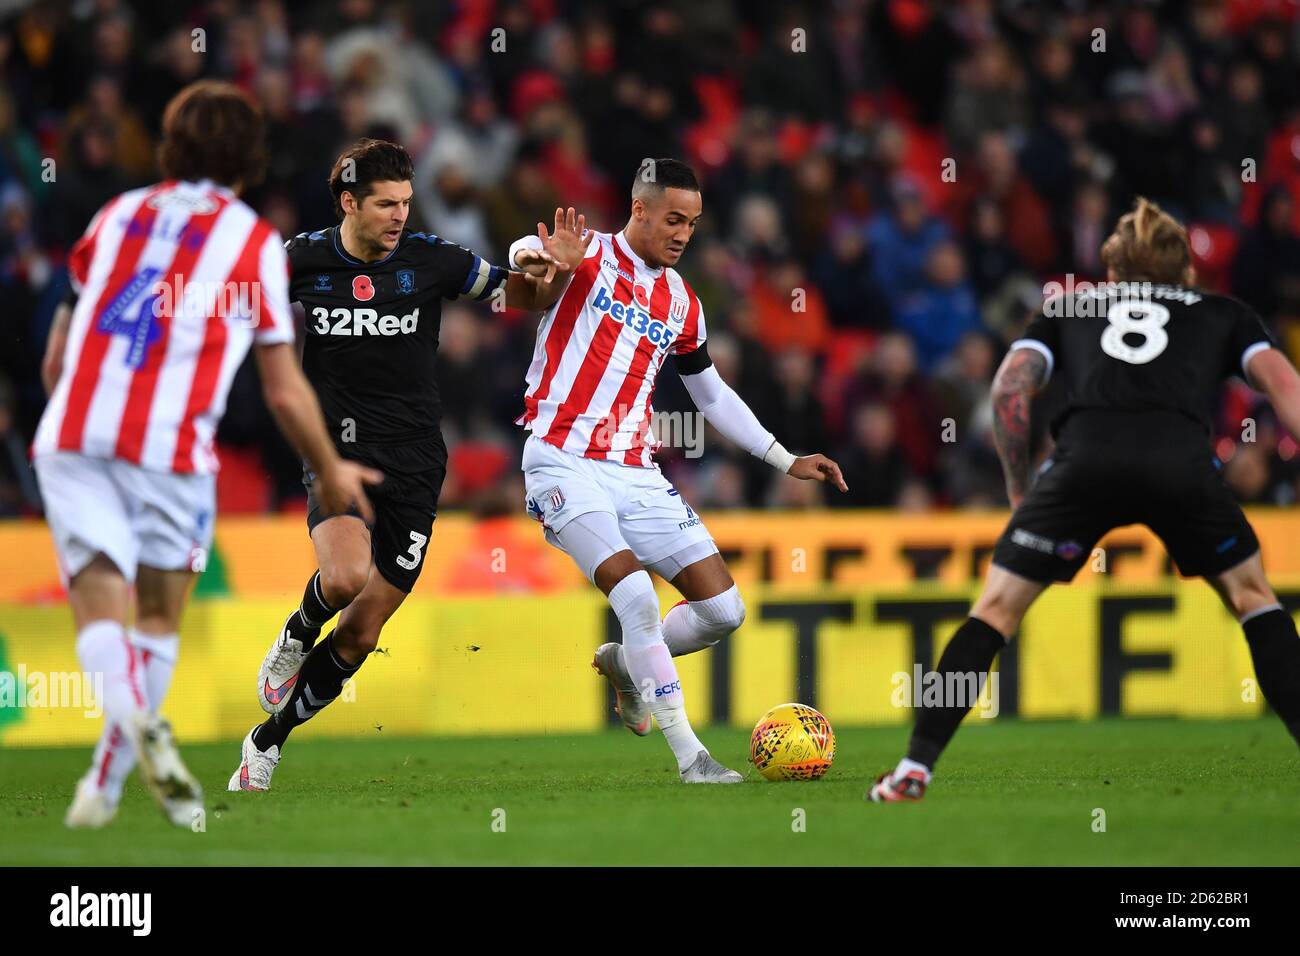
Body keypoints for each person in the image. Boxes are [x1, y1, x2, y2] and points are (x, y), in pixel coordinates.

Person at [869, 197, 1300, 802]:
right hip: (1180, 463)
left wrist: (1019, 486)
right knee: (1254, 599)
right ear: (1184, 269)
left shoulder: (1070, 306)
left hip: (1083, 464)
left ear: (1113, 268)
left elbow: (1009, 387)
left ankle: (914, 768)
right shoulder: (1222, 311)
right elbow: (1283, 382)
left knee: (995, 610)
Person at [35, 80, 379, 828]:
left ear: (171, 146)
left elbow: (56, 359)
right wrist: (329, 467)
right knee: (157, 619)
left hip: (71, 438)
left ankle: (101, 791)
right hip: (169, 452)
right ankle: (130, 743)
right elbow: (283, 390)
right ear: (250, 157)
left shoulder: (116, 214)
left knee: (98, 603)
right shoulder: (252, 242)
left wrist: (80, 415)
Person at [230, 138, 584, 791]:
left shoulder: (433, 259)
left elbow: (525, 298)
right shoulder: (301, 259)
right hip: (337, 450)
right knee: (343, 579)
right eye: (385, 204)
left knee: (362, 633)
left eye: (405, 203)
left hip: (417, 460)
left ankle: (267, 741)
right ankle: (297, 632)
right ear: (349, 203)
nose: (399, 216)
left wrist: (553, 272)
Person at [509, 158, 847, 783]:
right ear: (638, 209)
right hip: (562, 460)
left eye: (692, 223)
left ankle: (626, 663)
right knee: (637, 595)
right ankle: (693, 759)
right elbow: (525, 258)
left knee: (724, 611)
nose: (684, 234)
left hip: (635, 471)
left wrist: (785, 458)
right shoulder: (585, 252)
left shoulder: (683, 303)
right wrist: (534, 256)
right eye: (673, 219)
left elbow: (711, 396)